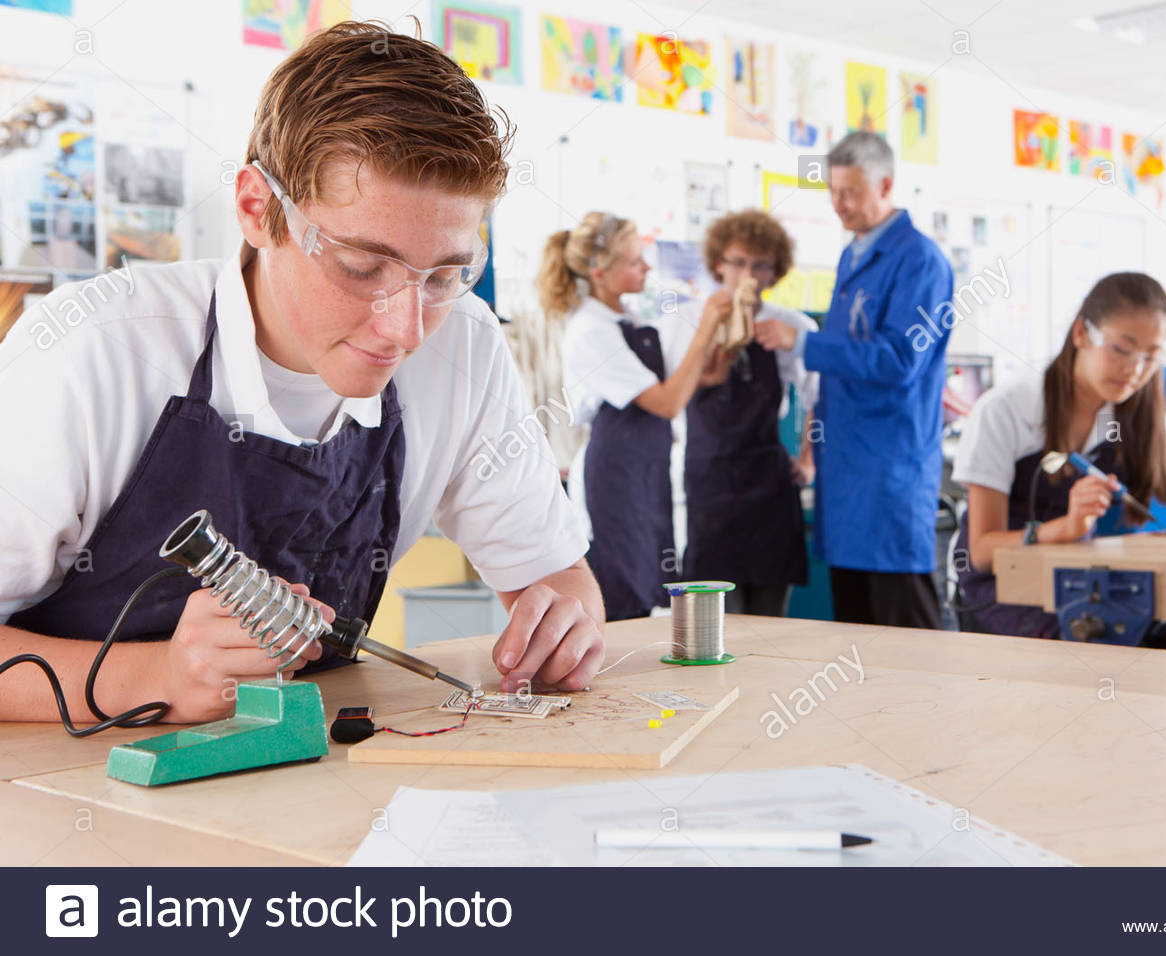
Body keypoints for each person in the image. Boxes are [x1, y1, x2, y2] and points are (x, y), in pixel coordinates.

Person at [0, 22, 604, 725]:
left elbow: (558, 579)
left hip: (313, 786)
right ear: (258, 208)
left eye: (446, 274)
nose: (404, 330)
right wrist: (151, 677)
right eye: (361, 266)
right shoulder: (91, 349)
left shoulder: (463, 345)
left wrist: (565, 629)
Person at [952, 272, 1166, 639]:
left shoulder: (1143, 416)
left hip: (1092, 588)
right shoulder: (1006, 410)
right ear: (1082, 334)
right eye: (1121, 349)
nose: (1134, 370)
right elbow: (981, 551)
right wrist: (1062, 530)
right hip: (1003, 594)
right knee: (1097, 656)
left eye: (1150, 358)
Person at [755, 131, 954, 629]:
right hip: (844, 470)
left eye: (850, 193)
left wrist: (803, 342)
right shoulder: (854, 254)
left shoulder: (921, 261)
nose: (839, 205)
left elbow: (899, 359)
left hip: (889, 469)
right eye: (833, 193)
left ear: (885, 185)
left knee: (906, 627)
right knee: (854, 628)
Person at [542, 212, 726, 621]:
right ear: (600, 274)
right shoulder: (591, 330)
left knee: (650, 590)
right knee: (622, 592)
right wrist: (706, 324)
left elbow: (684, 381)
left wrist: (712, 347)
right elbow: (667, 403)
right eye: (634, 262)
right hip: (617, 474)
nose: (646, 268)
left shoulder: (630, 319)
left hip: (647, 470)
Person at [664, 210, 818, 616]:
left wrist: (808, 460)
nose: (747, 272)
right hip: (708, 486)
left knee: (771, 625)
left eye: (760, 264)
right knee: (714, 618)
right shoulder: (685, 321)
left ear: (775, 271)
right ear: (718, 263)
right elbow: (669, 396)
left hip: (768, 486)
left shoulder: (791, 326)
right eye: (738, 261)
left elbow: (821, 397)